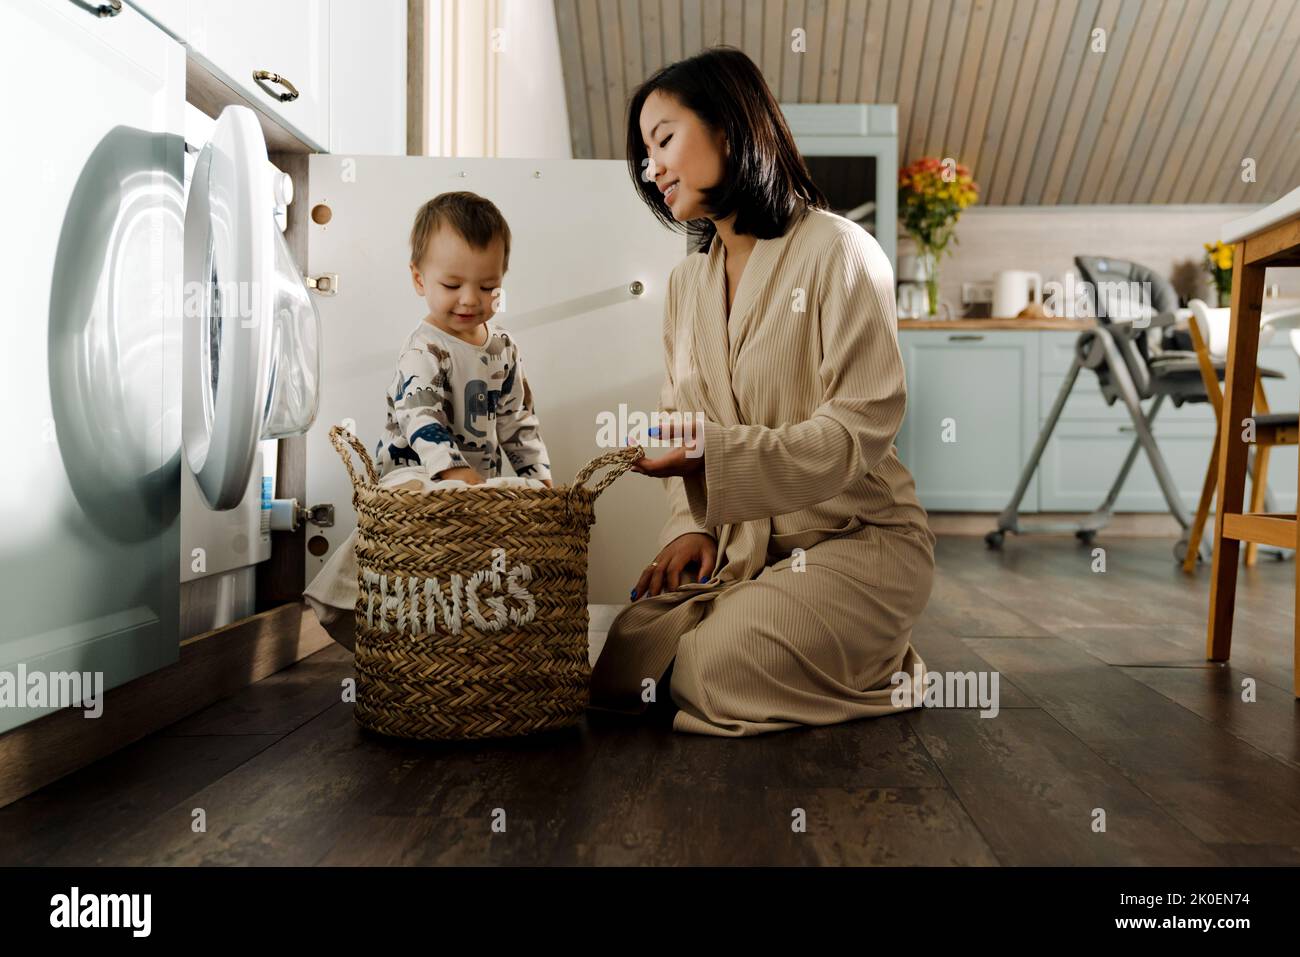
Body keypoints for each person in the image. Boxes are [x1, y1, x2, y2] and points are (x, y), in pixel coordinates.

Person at [588, 46, 936, 737]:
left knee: (714, 668)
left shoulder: (841, 252)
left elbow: (857, 431)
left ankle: (886, 663)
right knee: (622, 665)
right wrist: (690, 527)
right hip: (743, 547)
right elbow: (676, 425)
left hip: (856, 538)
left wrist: (710, 457)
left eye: (664, 140)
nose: (651, 167)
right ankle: (810, 645)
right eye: (644, 154)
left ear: (728, 128)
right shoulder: (687, 285)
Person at [375, 191, 553, 488]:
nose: (470, 300)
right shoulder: (424, 350)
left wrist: (539, 480)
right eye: (452, 285)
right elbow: (420, 418)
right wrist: (453, 470)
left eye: (487, 287)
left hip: (476, 486)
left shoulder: (503, 348)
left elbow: (517, 421)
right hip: (417, 476)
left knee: (518, 490)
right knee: (412, 484)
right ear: (420, 280)